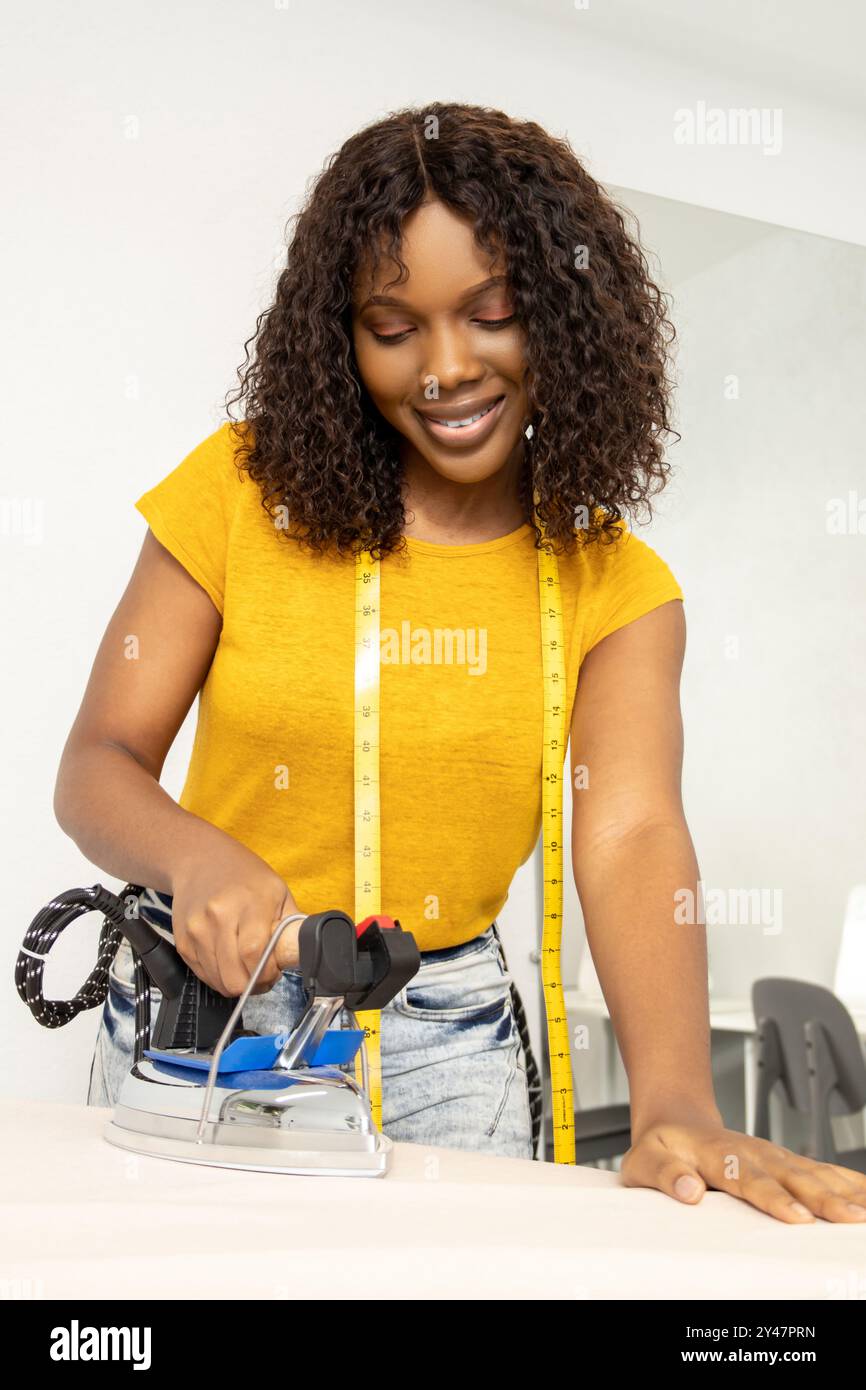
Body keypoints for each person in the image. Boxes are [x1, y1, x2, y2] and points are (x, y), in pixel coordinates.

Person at [55, 101, 866, 1223]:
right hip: (211, 1014)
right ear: (336, 336)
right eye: (392, 329)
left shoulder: (614, 583)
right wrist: (194, 859)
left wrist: (678, 1099)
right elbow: (97, 761)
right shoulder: (240, 491)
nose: (444, 369)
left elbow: (628, 831)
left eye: (488, 314)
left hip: (452, 1035)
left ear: (563, 311)